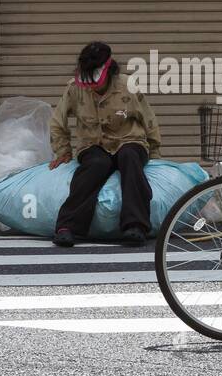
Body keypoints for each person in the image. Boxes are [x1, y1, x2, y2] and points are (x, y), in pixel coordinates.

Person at [49, 41, 161, 248]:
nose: (93, 86)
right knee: (96, 164)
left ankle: (135, 226)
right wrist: (63, 150)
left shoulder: (128, 86)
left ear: (109, 70)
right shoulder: (74, 89)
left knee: (130, 157)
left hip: (129, 140)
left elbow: (149, 119)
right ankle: (67, 227)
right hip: (93, 145)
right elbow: (58, 121)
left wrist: (154, 152)